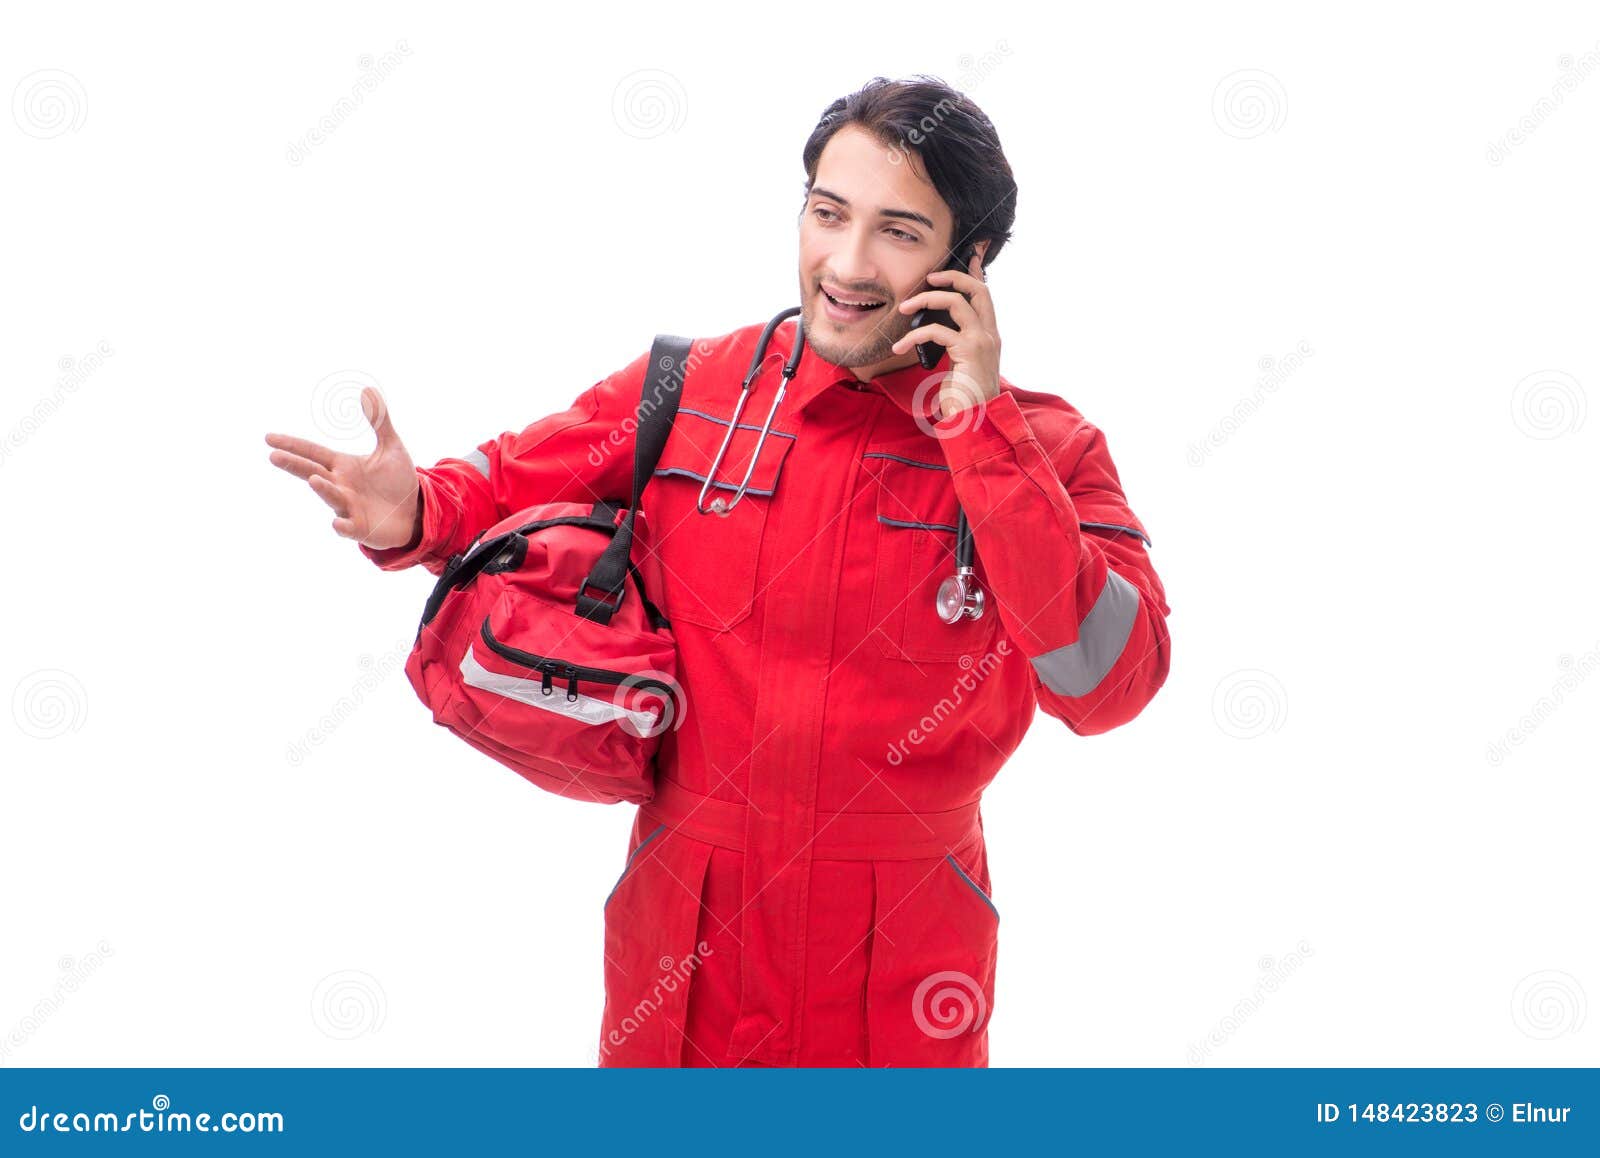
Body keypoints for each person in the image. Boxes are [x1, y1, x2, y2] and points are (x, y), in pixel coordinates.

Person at [265, 75, 1172, 1067]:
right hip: (680, 953)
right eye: (828, 214)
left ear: (972, 261)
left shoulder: (1042, 447)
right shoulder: (694, 390)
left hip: (900, 976)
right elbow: (499, 489)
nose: (848, 262)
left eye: (899, 232)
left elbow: (1106, 687)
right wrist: (413, 511)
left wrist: (978, 429)